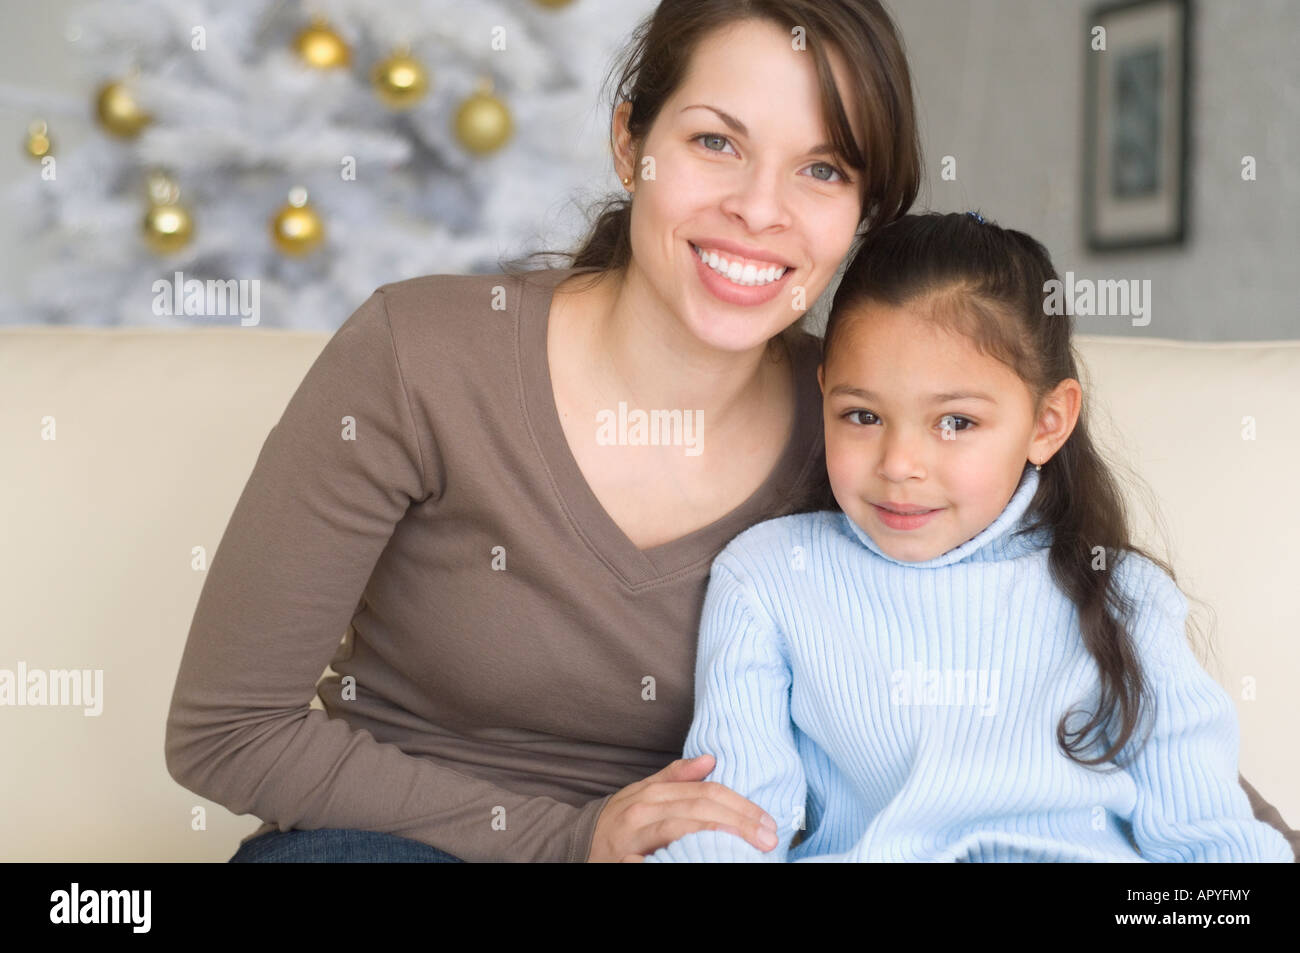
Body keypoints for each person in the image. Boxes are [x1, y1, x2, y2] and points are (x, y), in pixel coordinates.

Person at [165, 0, 1295, 864]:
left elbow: (1064, 649)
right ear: (630, 143)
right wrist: (573, 835)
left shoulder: (863, 437)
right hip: (413, 847)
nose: (761, 208)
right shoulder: (424, 355)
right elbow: (228, 732)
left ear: (860, 215)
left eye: (820, 168)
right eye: (714, 142)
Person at [638, 212, 1296, 862]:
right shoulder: (767, 578)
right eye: (861, 415)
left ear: (1047, 421)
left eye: (955, 422)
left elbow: (1215, 849)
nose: (900, 464)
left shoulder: (1129, 597)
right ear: (824, 397)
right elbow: (730, 826)